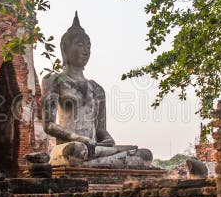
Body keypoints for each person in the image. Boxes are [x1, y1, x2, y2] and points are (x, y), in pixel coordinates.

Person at [40, 13, 152, 167]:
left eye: (88, 46)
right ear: (64, 48)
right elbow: (48, 125)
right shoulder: (54, 81)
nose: (86, 51)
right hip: (70, 147)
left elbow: (100, 130)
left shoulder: (97, 89)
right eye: (80, 45)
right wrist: (77, 138)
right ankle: (110, 163)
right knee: (76, 151)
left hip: (94, 149)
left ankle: (101, 162)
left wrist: (108, 140)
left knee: (145, 155)